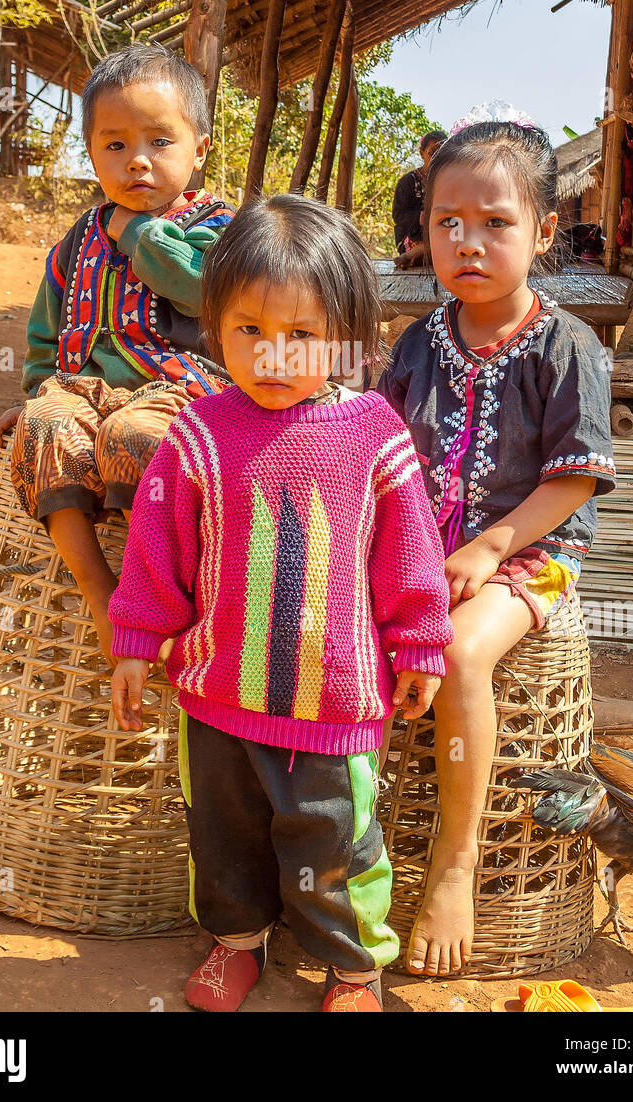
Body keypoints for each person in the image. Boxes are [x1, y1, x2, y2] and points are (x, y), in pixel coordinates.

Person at [108, 194, 453, 1013]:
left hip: (332, 703)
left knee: (334, 843)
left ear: (346, 333)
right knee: (223, 837)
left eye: (301, 334)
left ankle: (352, 966)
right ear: (214, 327)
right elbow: (157, 551)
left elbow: (410, 553)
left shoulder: (373, 432)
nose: (272, 355)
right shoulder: (198, 434)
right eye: (250, 331)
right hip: (217, 697)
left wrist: (421, 646)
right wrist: (134, 639)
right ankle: (237, 941)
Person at [376, 118, 615, 977]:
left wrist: (490, 547)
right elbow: (382, 453)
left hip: (530, 553)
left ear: (545, 231)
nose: (467, 243)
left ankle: (456, 859)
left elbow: (575, 480)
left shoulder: (569, 347)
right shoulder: (416, 343)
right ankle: (339, 848)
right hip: (419, 547)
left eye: (495, 223)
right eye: (447, 222)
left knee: (458, 651)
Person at [0, 44, 233, 662]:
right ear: (92, 152)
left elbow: (202, 292)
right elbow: (46, 335)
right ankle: (101, 591)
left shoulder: (218, 230)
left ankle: (165, 593)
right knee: (45, 423)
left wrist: (140, 233)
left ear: (200, 146)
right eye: (115, 145)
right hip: (81, 392)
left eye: (160, 142)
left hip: (179, 390)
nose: (138, 163)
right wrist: (36, 394)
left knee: (133, 435)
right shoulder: (77, 241)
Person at [391, 128, 446, 263]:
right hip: (413, 237)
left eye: (441, 153)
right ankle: (416, 254)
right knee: (438, 252)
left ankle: (423, 253)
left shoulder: (448, 181)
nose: (436, 158)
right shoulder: (408, 181)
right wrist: (422, 217)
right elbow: (398, 215)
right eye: (432, 153)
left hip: (441, 237)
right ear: (422, 153)